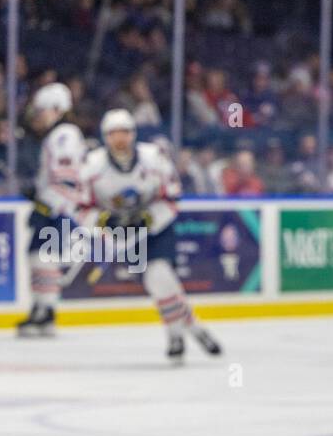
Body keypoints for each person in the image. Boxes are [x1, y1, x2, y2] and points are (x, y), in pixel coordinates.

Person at [76, 109, 222, 363]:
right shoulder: (92, 166)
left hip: (157, 230)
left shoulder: (154, 158)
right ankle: (194, 327)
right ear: (105, 137)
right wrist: (105, 223)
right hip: (123, 236)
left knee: (159, 276)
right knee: (160, 284)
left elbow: (172, 197)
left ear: (133, 134)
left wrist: (148, 219)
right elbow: (81, 209)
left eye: (124, 132)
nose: (119, 139)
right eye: (113, 134)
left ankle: (175, 335)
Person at [16, 83, 87, 338]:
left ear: (57, 109)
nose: (39, 116)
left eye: (42, 110)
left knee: (43, 256)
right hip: (56, 206)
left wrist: (45, 205)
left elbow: (66, 178)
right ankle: (42, 308)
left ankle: (45, 310)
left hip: (58, 208)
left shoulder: (64, 134)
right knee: (38, 255)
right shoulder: (59, 134)